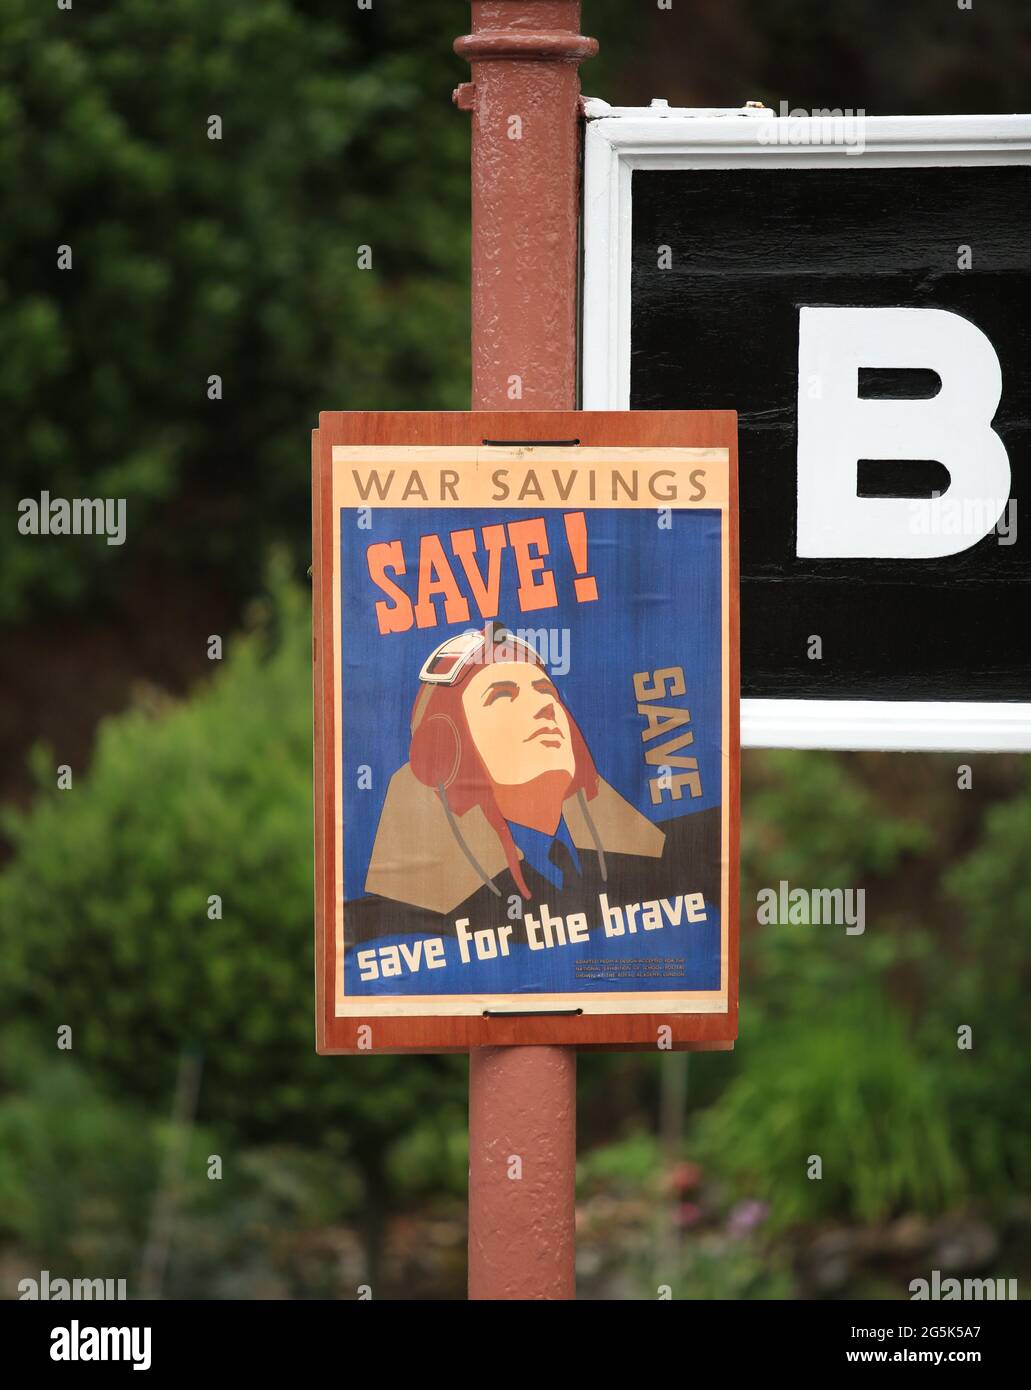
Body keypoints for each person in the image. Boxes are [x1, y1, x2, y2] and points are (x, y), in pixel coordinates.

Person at [347, 622, 720, 949]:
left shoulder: (684, 860)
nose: (545, 706)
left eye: (545, 691)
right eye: (503, 695)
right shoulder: (386, 930)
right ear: (444, 750)